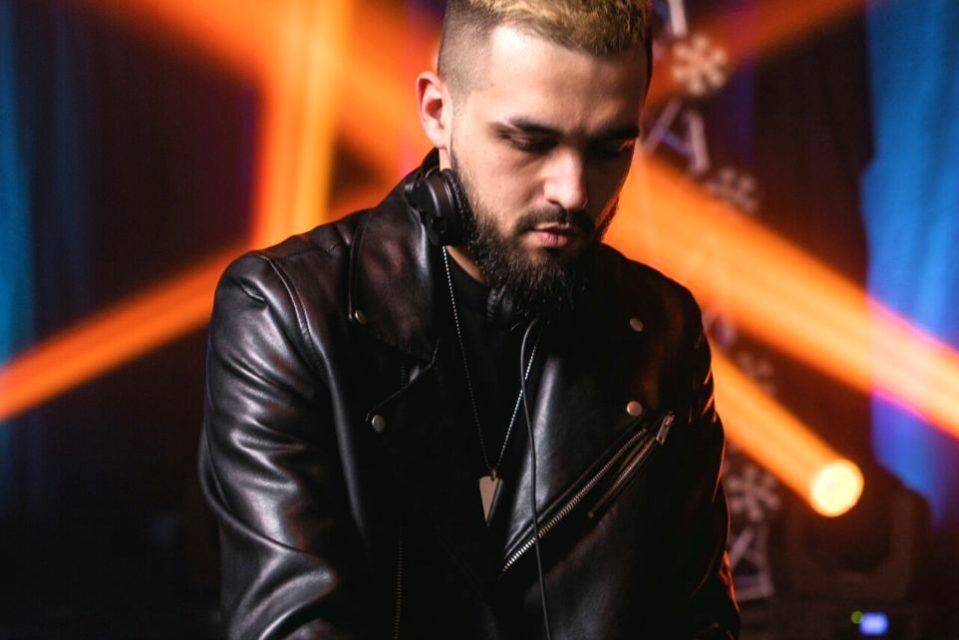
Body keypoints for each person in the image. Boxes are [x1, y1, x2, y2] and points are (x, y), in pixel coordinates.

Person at [197, 0, 739, 637]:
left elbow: (699, 621)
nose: (573, 192)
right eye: (530, 141)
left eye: (609, 148)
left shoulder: (662, 332)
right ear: (437, 111)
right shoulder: (288, 314)